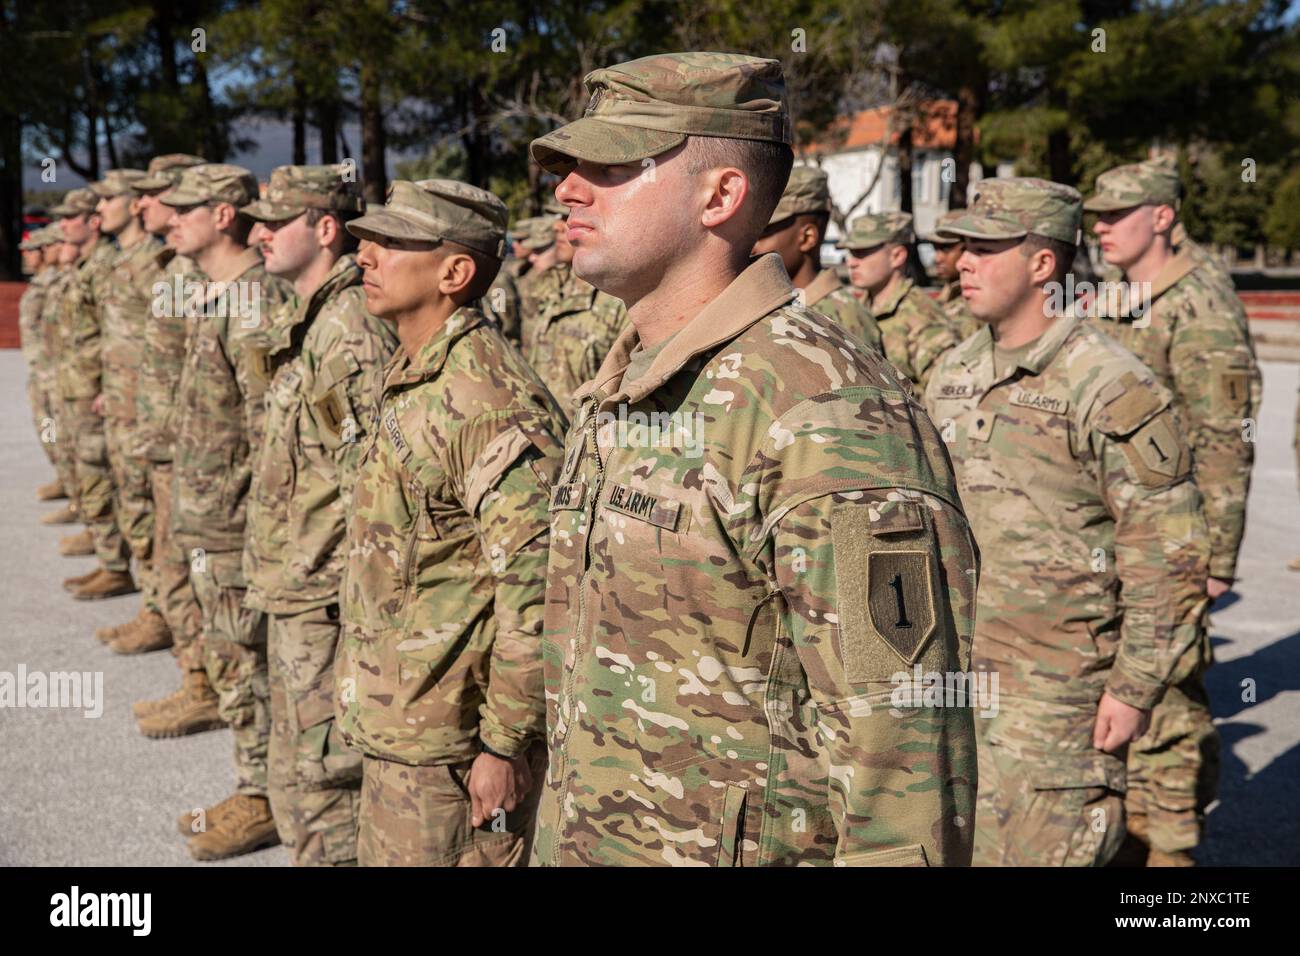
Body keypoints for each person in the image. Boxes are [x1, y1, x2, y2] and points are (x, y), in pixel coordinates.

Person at [527, 51, 978, 867]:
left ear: (721, 195)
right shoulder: (629, 380)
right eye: (570, 166)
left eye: (612, 164)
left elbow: (903, 764)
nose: (568, 189)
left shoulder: (827, 417)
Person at [924, 177, 1209, 866]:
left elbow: (1168, 555)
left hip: (1059, 695)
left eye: (988, 247)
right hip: (954, 678)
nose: (964, 260)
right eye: (965, 245)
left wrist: (1135, 687)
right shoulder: (950, 374)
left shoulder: (1109, 386)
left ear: (1043, 264)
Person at [334, 179, 565, 866]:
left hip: (453, 753)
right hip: (405, 728)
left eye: (391, 242)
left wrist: (502, 744)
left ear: (455, 272)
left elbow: (537, 586)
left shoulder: (486, 400)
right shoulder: (418, 373)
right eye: (366, 241)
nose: (362, 257)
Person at [1085, 158, 1260, 866]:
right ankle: (1131, 836)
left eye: (1115, 215)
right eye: (1094, 215)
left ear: (1162, 216)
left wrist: (1217, 560)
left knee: (1170, 704)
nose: (1099, 228)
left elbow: (1226, 437)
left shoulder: (1200, 304)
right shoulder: (1117, 297)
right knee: (1124, 692)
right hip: (1117, 534)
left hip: (1175, 540)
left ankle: (1173, 856)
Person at [240, 164, 398, 866]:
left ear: (325, 229)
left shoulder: (350, 332)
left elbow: (372, 486)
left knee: (327, 780)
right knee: (296, 769)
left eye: (275, 222)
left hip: (325, 596)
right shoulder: (313, 321)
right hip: (296, 585)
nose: (257, 233)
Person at [153, 164, 293, 860]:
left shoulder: (254, 302)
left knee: (247, 663)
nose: (170, 216)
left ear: (226, 215)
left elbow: (272, 430)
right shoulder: (215, 295)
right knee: (229, 656)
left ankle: (262, 797)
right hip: (207, 517)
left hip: (237, 523)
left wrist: (260, 525)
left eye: (187, 207)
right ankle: (254, 784)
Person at [91, 168, 171, 650]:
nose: (102, 209)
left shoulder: (156, 266)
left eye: (109, 200)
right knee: (134, 504)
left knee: (151, 512)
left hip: (148, 414)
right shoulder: (130, 261)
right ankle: (152, 604)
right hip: (125, 405)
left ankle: (160, 612)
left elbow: (162, 345)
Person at [53, 185, 137, 599]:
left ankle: (115, 564)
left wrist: (107, 384)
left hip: (93, 389)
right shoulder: (87, 265)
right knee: (87, 470)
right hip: (76, 385)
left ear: (93, 223)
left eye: (71, 217)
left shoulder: (105, 266)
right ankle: (106, 550)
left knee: (97, 473)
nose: (63, 225)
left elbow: (115, 332)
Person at [751, 164, 881, 350]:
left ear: (807, 238)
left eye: (762, 234)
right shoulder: (769, 304)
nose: (752, 246)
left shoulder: (844, 318)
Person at [839, 211, 961, 390]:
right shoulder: (855, 308)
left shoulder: (922, 317)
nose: (851, 263)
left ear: (897, 256)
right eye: (851, 253)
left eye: (861, 252)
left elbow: (945, 393)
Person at [524, 207, 627, 409]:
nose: (558, 227)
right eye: (562, 217)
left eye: (571, 215)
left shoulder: (618, 299)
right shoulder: (552, 285)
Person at [18, 226, 65, 500]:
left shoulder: (54, 282)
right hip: (39, 368)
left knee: (56, 426)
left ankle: (69, 478)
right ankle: (62, 474)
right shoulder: (39, 283)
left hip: (51, 369)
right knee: (45, 426)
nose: (27, 255)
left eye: (32, 250)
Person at [925, 210, 977, 338]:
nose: (937, 258)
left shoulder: (978, 302)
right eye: (935, 248)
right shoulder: (945, 295)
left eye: (946, 249)